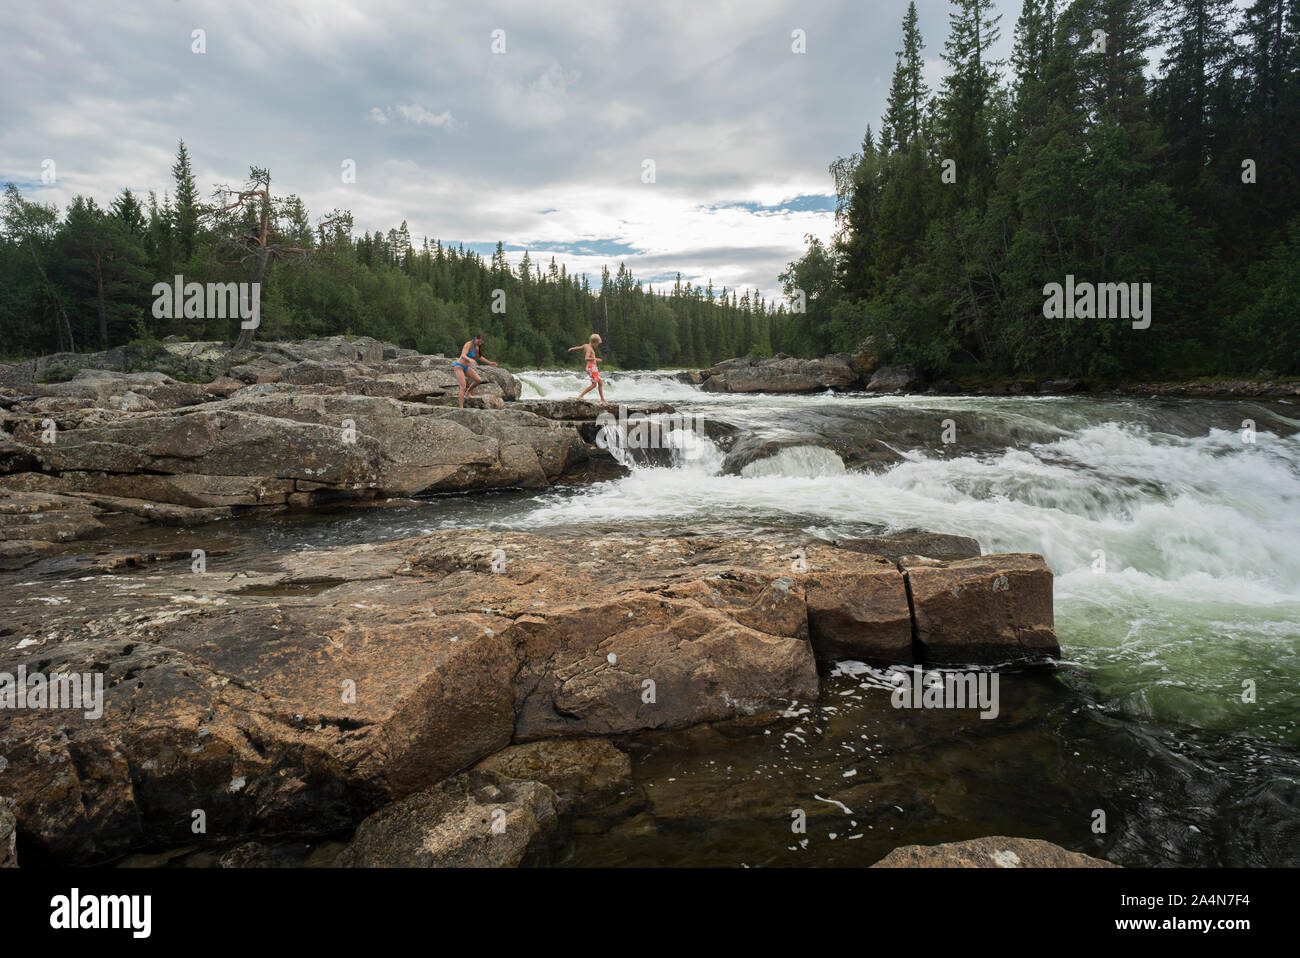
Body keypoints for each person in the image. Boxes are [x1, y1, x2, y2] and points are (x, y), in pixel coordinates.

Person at [452, 333, 498, 408]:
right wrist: (469, 359)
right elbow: (463, 355)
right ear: (475, 338)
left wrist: (490, 363)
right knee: (463, 386)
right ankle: (461, 407)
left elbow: (479, 357)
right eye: (479, 341)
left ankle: (468, 392)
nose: (480, 343)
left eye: (481, 342)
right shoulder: (468, 344)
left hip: (466, 367)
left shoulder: (476, 347)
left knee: (478, 380)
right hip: (459, 366)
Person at [569, 334, 607, 405]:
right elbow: (586, 358)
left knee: (600, 382)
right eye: (597, 344)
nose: (597, 345)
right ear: (594, 342)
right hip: (591, 367)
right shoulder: (589, 349)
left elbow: (579, 347)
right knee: (594, 384)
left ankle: (602, 399)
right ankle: (581, 396)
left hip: (592, 368)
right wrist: (595, 359)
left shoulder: (586, 345)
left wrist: (573, 348)